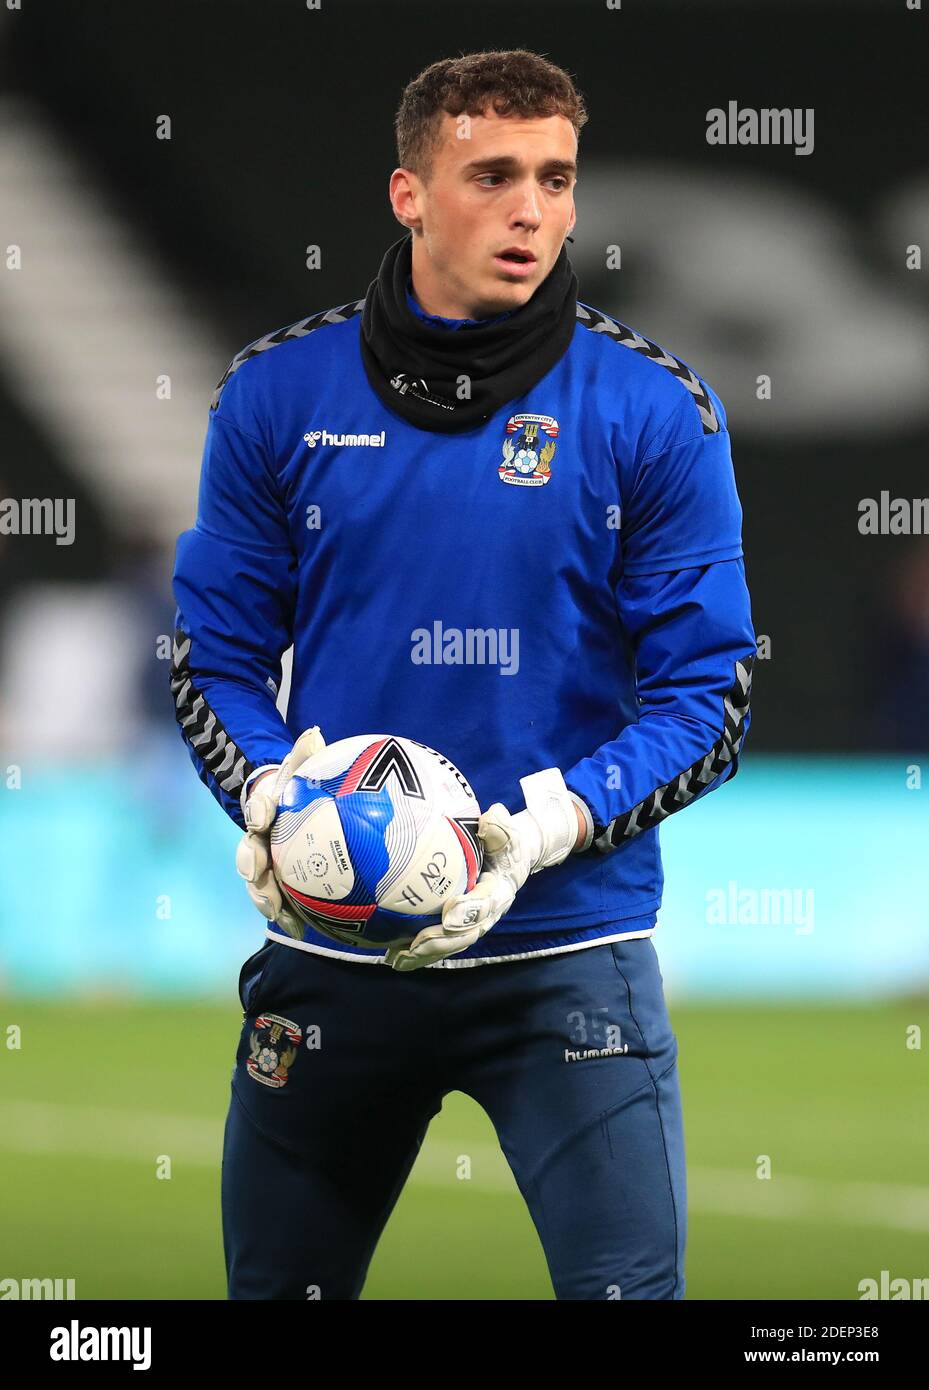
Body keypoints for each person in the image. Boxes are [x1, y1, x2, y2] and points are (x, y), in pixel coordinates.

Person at [169, 48, 755, 1300]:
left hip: (567, 956)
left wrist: (548, 822)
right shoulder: (273, 395)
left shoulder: (656, 411)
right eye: (491, 174)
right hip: (332, 953)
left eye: (555, 177)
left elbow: (708, 696)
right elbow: (210, 658)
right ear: (409, 194)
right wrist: (266, 793)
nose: (531, 209)